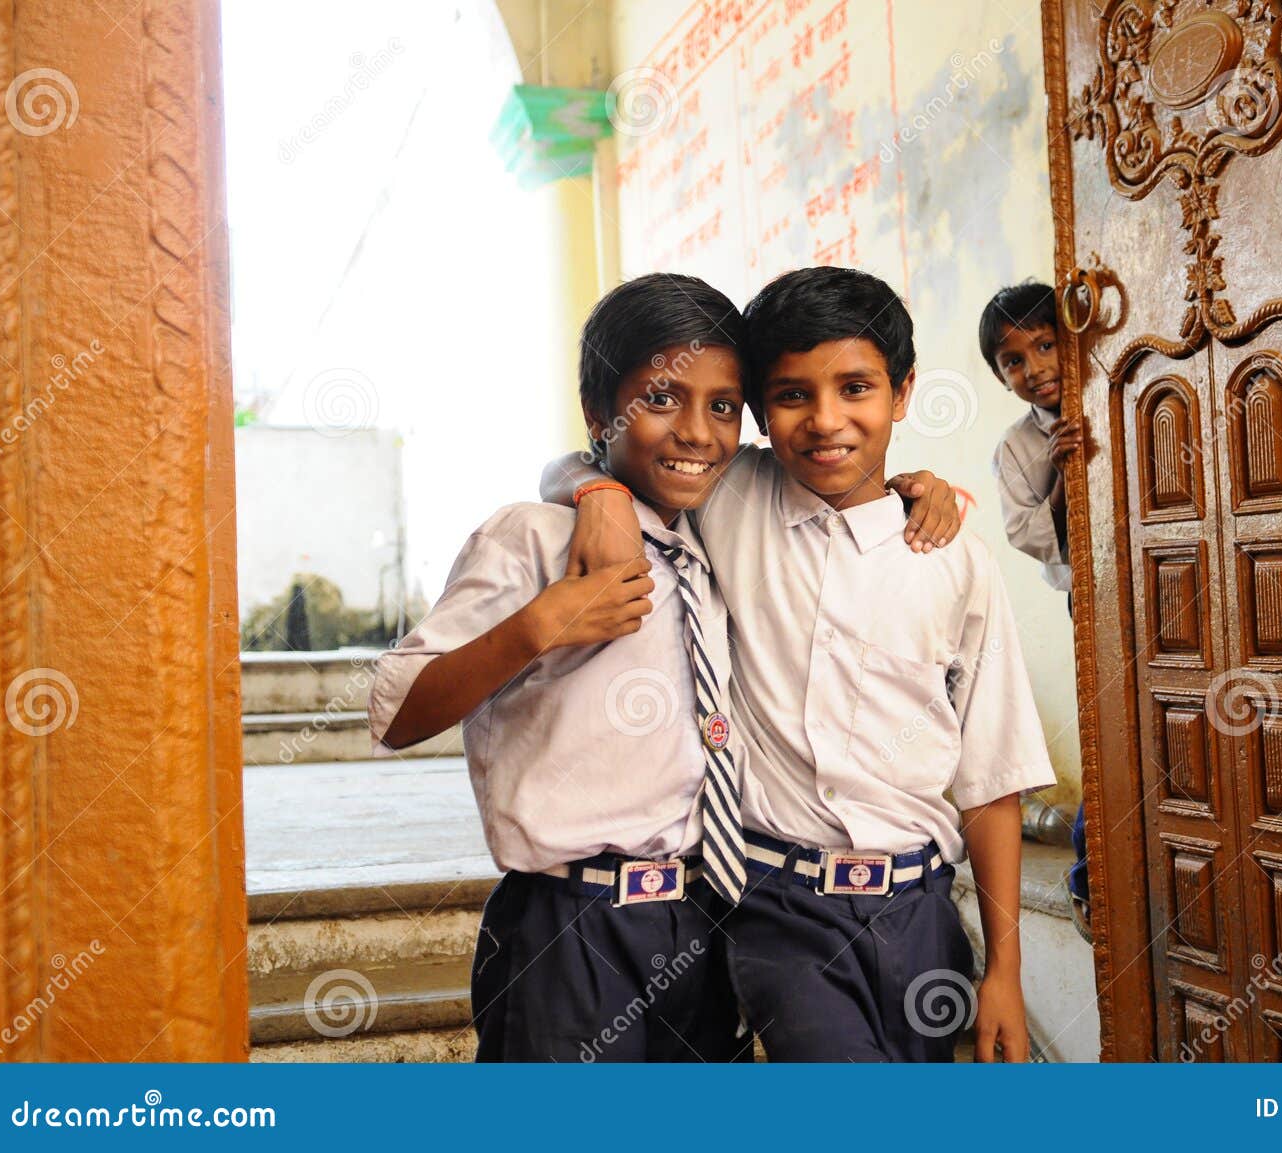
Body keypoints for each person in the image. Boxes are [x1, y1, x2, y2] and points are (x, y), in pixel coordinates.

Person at [549, 267, 1054, 1061]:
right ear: (758, 408)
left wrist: (1005, 973)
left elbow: (992, 779)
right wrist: (595, 492)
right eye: (791, 395)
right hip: (780, 907)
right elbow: (596, 456)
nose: (825, 420)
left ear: (903, 391)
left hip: (922, 910)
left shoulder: (955, 559)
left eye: (856, 388)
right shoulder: (729, 497)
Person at [368, 273, 752, 1062]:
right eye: (660, 399)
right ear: (599, 413)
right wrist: (541, 623)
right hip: (569, 924)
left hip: (704, 915)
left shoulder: (723, 528)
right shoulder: (533, 538)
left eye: (722, 406)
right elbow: (396, 711)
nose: (696, 432)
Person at [979, 280, 1091, 943]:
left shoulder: (1119, 391)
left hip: (1169, 577)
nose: (1036, 368)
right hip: (1092, 595)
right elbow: (1029, 534)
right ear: (1001, 376)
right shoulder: (1018, 448)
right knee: (1109, 730)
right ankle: (1090, 878)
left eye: (1046, 345)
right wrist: (1061, 479)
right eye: (1014, 361)